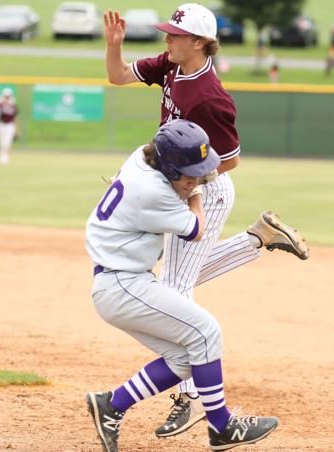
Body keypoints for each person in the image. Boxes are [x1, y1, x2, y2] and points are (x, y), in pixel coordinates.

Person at [103, 3, 309, 437]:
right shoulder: (172, 66)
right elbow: (118, 76)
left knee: (175, 291)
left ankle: (192, 396)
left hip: (205, 191)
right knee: (180, 283)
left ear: (198, 42)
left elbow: (228, 163)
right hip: (179, 183)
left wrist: (178, 188)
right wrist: (113, 47)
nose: (166, 39)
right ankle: (258, 238)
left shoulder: (211, 97)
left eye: (175, 34)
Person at [85, 120, 279, 452]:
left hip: (123, 280)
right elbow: (196, 229)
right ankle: (222, 426)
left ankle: (112, 405)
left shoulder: (143, 157)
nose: (195, 180)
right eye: (190, 174)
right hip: (122, 284)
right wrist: (198, 193)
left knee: (185, 359)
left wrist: (190, 183)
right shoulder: (153, 192)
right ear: (169, 168)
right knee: (206, 331)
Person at [0, 87, 19, 165]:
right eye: (5, 96)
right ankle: (2, 155)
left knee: (7, 141)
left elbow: (15, 118)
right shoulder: (1, 104)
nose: (7, 97)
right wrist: (4, 104)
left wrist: (16, 130)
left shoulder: (13, 105)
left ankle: (6, 157)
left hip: (10, 125)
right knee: (1, 141)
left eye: (8, 96)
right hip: (1, 124)